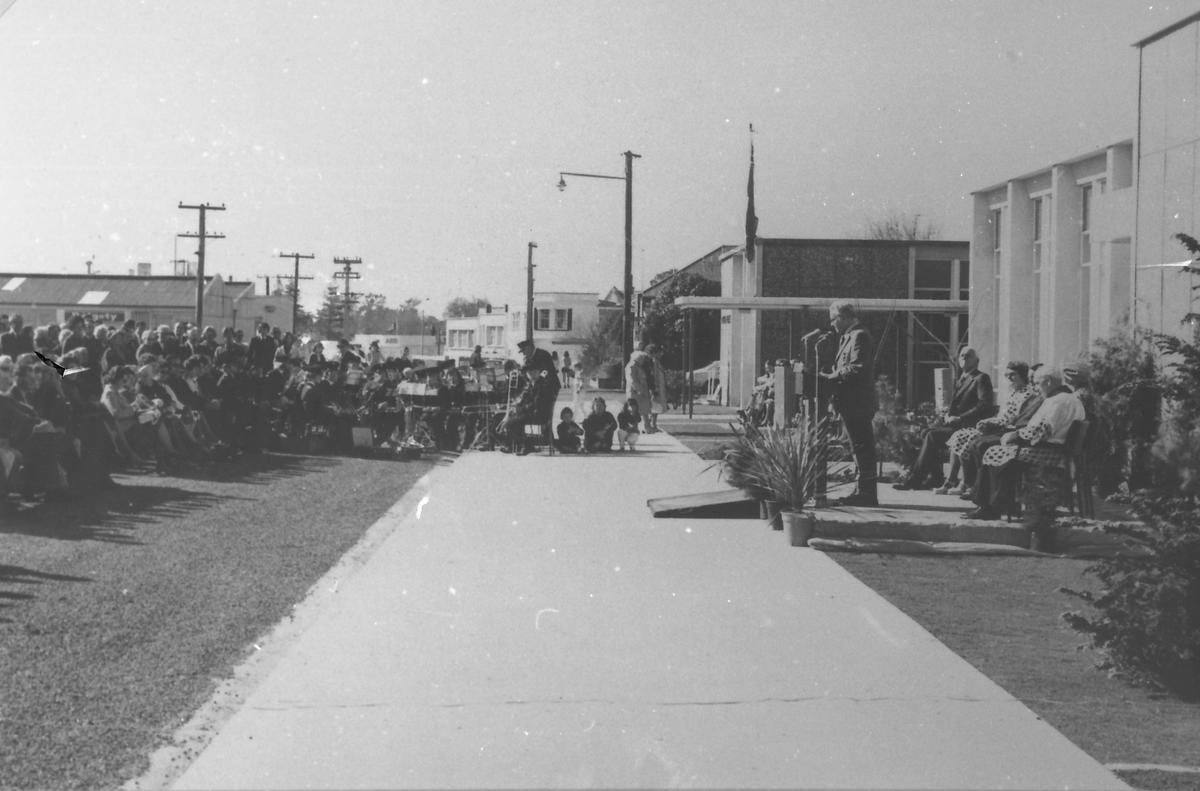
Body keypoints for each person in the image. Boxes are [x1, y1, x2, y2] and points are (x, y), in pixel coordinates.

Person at [963, 367, 1086, 551]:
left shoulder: (1058, 401)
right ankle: (998, 505)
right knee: (995, 449)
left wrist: (1016, 435)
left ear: (1048, 382)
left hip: (1048, 452)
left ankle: (991, 508)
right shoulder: (1070, 399)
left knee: (994, 452)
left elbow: (1042, 430)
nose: (1036, 387)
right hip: (1053, 449)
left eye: (1038, 383)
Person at [894, 345, 995, 490]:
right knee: (925, 432)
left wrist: (960, 418)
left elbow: (984, 405)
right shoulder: (962, 379)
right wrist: (948, 414)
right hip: (955, 424)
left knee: (932, 436)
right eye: (962, 356)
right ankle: (935, 477)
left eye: (968, 356)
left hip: (969, 427)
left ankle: (915, 479)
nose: (964, 358)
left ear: (977, 361)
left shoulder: (981, 378)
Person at [944, 361, 1040, 499]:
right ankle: (957, 481)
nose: (1009, 378)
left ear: (1022, 376)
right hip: (996, 426)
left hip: (1005, 429)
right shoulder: (1012, 392)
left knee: (971, 439)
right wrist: (988, 421)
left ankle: (970, 484)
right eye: (1007, 375)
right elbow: (1001, 415)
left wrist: (989, 422)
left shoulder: (1027, 394)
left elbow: (1011, 420)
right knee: (959, 435)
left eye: (1013, 375)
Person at [818, 300, 878, 507]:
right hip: (851, 403)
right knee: (858, 448)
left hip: (858, 403)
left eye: (833, 319)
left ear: (843, 317)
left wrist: (830, 376)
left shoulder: (860, 336)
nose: (832, 324)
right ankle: (861, 490)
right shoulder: (849, 336)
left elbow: (857, 367)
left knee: (862, 447)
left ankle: (866, 494)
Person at [505, 339, 561, 455]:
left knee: (541, 408)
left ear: (530, 347)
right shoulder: (532, 360)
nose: (524, 354)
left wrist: (537, 381)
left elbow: (545, 372)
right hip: (539, 387)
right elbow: (530, 371)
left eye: (524, 351)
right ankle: (521, 444)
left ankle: (529, 444)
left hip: (550, 386)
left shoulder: (542, 355)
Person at [625, 342, 654, 430]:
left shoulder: (639, 366)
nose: (644, 360)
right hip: (635, 393)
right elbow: (632, 380)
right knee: (634, 411)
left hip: (642, 392)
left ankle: (647, 426)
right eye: (643, 358)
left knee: (645, 410)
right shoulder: (631, 366)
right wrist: (639, 389)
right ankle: (634, 427)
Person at [645, 343, 668, 431]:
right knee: (654, 406)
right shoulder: (654, 362)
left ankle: (653, 424)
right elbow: (655, 375)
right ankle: (652, 424)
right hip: (656, 387)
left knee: (656, 407)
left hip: (660, 387)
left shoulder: (657, 362)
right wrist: (655, 387)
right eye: (659, 352)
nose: (661, 354)